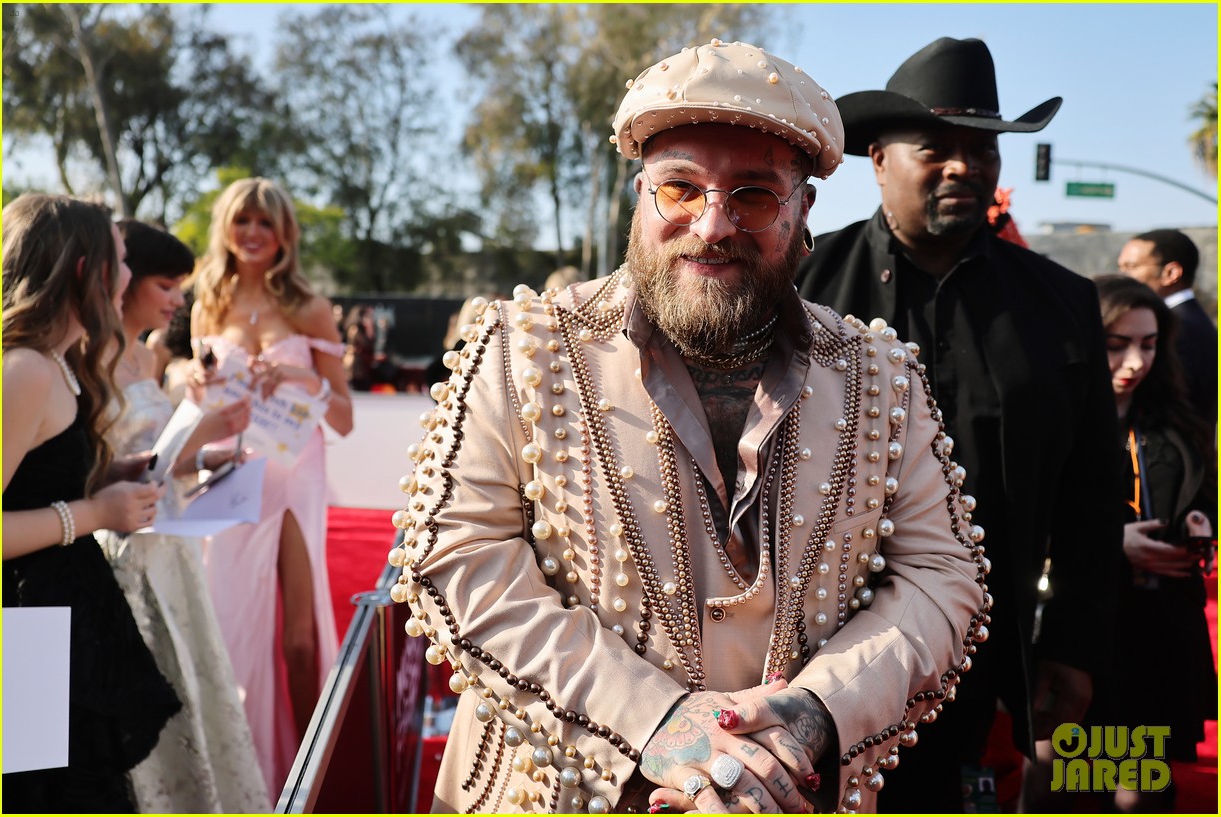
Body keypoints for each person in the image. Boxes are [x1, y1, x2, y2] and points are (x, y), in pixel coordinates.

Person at [388, 40, 990, 814]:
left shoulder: (881, 376)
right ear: (640, 197)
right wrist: (655, 720)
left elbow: (943, 577)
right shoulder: (520, 348)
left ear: (803, 212)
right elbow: (453, 556)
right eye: (680, 189)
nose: (712, 224)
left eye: (754, 196)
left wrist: (816, 713)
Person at [794, 36, 1124, 811]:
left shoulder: (1061, 303)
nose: (963, 167)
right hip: (822, 655)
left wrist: (1073, 647)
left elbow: (1091, 494)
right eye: (937, 148)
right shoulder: (802, 285)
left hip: (991, 650)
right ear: (878, 160)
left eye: (983, 149)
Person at [2, 193, 180, 810]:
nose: (128, 275)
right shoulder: (24, 370)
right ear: (86, 269)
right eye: (122, 258)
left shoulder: (57, 364)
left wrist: (105, 480)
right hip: (24, 630)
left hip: (58, 615)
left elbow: (34, 483)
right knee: (43, 792)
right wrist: (96, 515)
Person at [93, 219, 270, 812]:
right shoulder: (81, 360)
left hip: (171, 549)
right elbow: (101, 468)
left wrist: (211, 455)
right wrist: (204, 434)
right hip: (122, 555)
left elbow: (152, 459)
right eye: (166, 285)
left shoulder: (141, 360)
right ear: (123, 281)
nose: (177, 301)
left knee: (192, 690)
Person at [1023, 276, 1217, 811]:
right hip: (1068, 627)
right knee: (1053, 779)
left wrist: (1200, 525)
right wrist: (1109, 543)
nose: (1135, 361)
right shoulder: (1045, 416)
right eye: (1117, 344)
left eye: (1149, 344)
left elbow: (1200, 495)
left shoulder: (1179, 424)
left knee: (1138, 790)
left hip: (1154, 633)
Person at [190, 177, 354, 797]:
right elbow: (207, 394)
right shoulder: (209, 301)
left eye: (266, 222)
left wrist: (297, 375)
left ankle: (311, 779)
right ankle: (240, 776)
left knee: (301, 639)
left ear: (285, 233)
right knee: (230, 630)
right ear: (226, 228)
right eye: (243, 221)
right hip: (233, 473)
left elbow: (343, 417)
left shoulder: (308, 306)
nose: (253, 234)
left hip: (295, 476)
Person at [1118, 228, 1217, 432]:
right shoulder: (1192, 320)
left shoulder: (1175, 327)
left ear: (1171, 273)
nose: (1122, 277)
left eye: (1131, 267)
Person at [343, 304, 377, 391]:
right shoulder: (355, 329)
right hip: (355, 364)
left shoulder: (357, 328)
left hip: (357, 363)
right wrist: (370, 329)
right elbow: (365, 343)